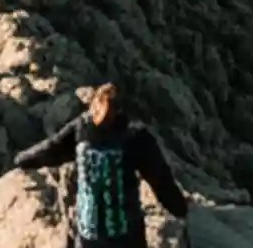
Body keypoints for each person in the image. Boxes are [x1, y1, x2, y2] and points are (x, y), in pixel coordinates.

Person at [14, 83, 191, 247]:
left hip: (89, 235)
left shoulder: (82, 128)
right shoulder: (135, 134)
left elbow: (51, 150)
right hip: (126, 236)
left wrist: (22, 159)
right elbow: (160, 180)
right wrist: (179, 209)